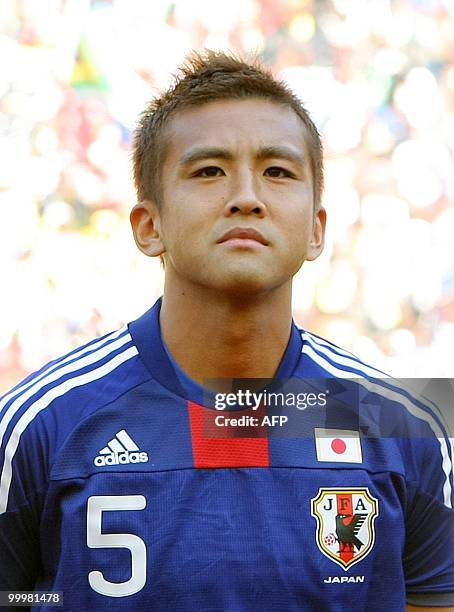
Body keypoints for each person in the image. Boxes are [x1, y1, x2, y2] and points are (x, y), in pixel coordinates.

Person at [0, 50, 452, 612]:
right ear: (149, 226)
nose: (247, 196)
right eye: (209, 170)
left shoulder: (405, 427)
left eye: (278, 172)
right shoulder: (39, 428)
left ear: (317, 229)